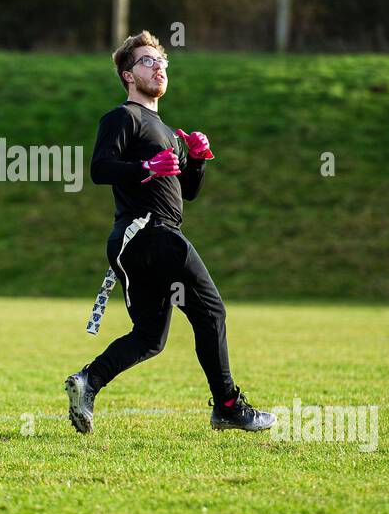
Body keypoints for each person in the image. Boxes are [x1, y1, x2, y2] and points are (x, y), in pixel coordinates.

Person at [65, 30, 275, 435]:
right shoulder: (123, 117)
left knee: (149, 338)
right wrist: (145, 169)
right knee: (211, 312)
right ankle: (229, 406)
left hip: (139, 242)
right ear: (128, 75)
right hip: (149, 234)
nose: (158, 67)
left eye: (162, 62)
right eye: (147, 61)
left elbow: (188, 193)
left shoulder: (167, 131)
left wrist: (196, 160)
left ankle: (87, 382)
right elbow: (99, 169)